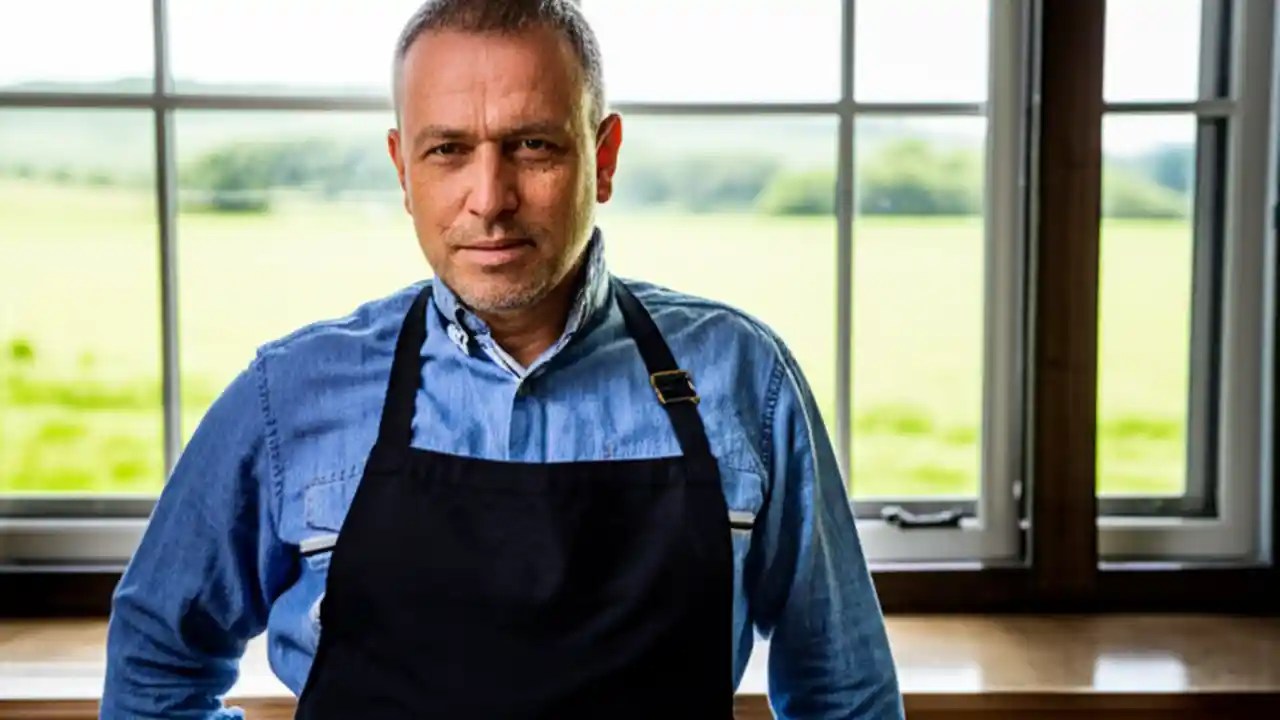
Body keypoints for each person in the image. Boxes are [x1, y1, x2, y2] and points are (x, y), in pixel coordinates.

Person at [101, 1, 903, 717]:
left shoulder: (744, 380)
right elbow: (156, 668)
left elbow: (844, 695)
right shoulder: (288, 397)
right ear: (402, 171)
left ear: (605, 155)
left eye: (532, 146)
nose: (490, 197)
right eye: (448, 150)